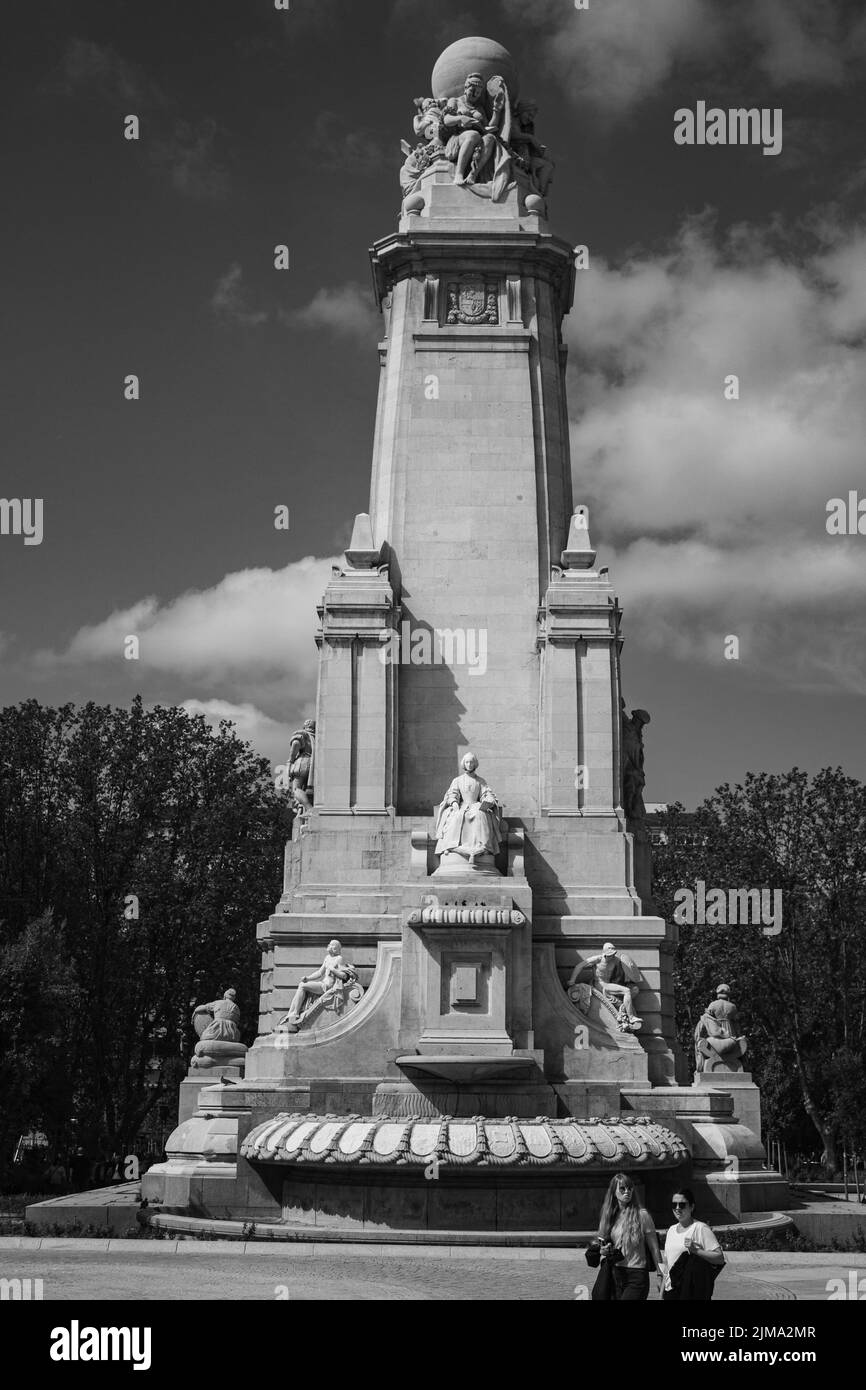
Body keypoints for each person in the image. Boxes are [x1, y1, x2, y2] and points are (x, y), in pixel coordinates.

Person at [596, 1172, 663, 1301]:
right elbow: (602, 1243)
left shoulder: (642, 1215)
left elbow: (655, 1248)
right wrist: (603, 1250)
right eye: (622, 1188)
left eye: (630, 1188)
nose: (627, 1191)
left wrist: (661, 1275)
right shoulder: (609, 1216)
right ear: (614, 1192)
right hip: (615, 1274)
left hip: (637, 1276)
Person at [661, 1188, 725, 1300]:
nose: (677, 1208)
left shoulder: (700, 1228)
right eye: (674, 1205)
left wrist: (696, 1250)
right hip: (671, 1290)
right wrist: (661, 1292)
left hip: (690, 1291)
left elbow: (719, 1258)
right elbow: (667, 1266)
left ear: (692, 1207)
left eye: (682, 1205)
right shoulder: (671, 1230)